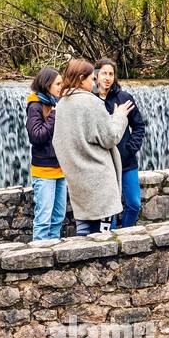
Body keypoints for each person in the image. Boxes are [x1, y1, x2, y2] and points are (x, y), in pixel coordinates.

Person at [52, 58, 132, 235]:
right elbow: (110, 138)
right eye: (91, 78)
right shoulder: (92, 103)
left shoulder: (62, 104)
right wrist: (119, 116)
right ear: (81, 79)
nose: (94, 82)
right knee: (102, 237)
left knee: (83, 231)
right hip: (99, 182)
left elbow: (58, 141)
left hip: (77, 180)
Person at [94, 58, 146, 228]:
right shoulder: (90, 100)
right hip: (104, 165)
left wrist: (130, 149)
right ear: (96, 75)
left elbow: (138, 125)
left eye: (111, 74)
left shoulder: (123, 98)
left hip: (126, 162)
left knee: (134, 204)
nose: (107, 78)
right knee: (109, 211)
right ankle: (112, 241)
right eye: (104, 73)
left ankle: (126, 234)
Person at [26, 67, 67, 240]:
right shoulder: (35, 105)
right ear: (47, 84)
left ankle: (53, 254)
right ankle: (39, 259)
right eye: (58, 84)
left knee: (58, 218)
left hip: (61, 170)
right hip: (44, 172)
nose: (61, 87)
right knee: (43, 219)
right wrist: (54, 115)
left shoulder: (54, 103)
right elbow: (36, 137)